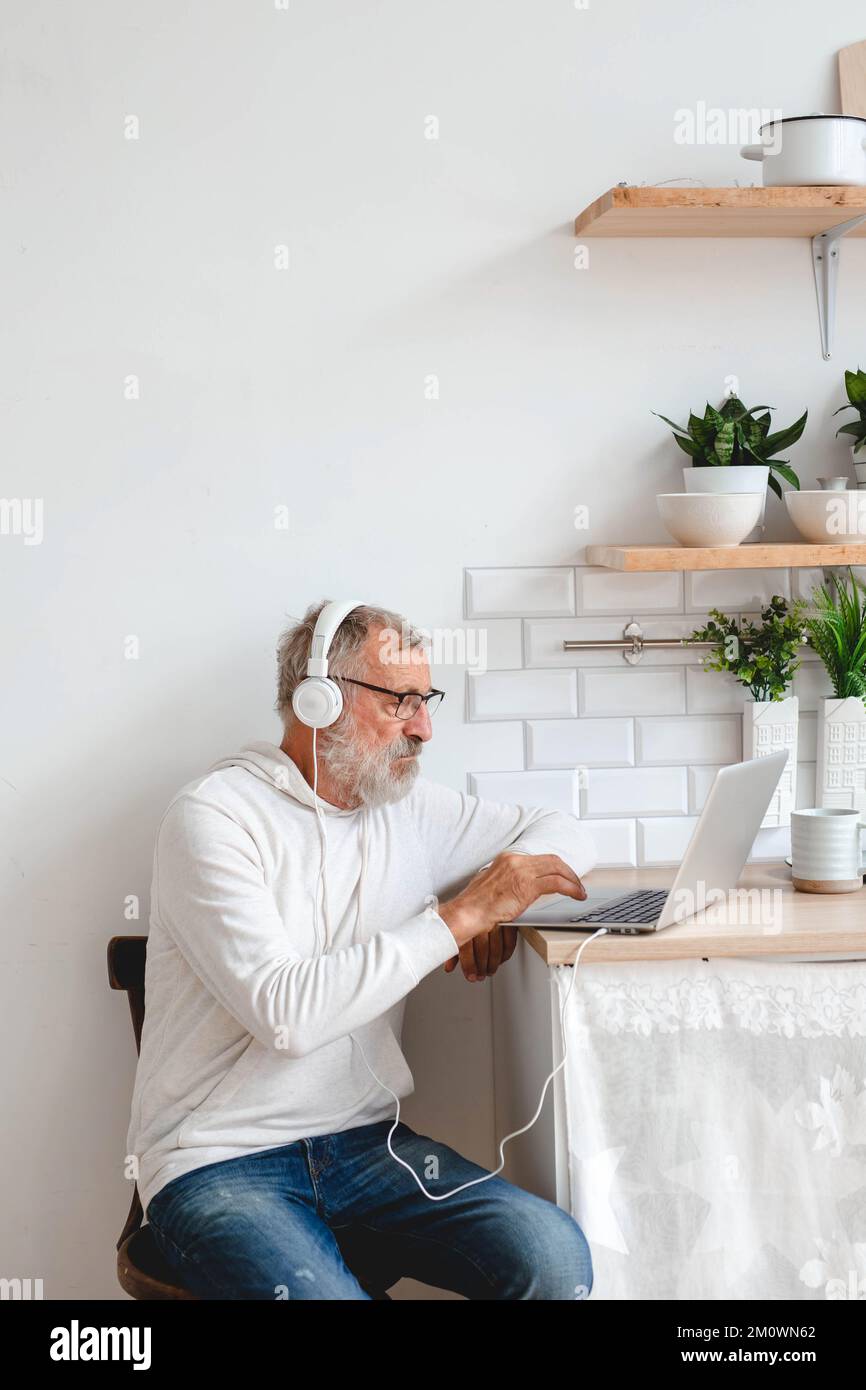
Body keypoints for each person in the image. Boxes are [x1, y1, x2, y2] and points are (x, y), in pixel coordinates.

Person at [126, 600, 598, 1299]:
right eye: (402, 701)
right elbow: (289, 1017)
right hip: (216, 1165)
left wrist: (507, 895)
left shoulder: (406, 809)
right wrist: (465, 914)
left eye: (427, 700)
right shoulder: (214, 818)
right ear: (318, 700)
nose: (426, 727)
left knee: (552, 1257)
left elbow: (567, 828)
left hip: (363, 1150)